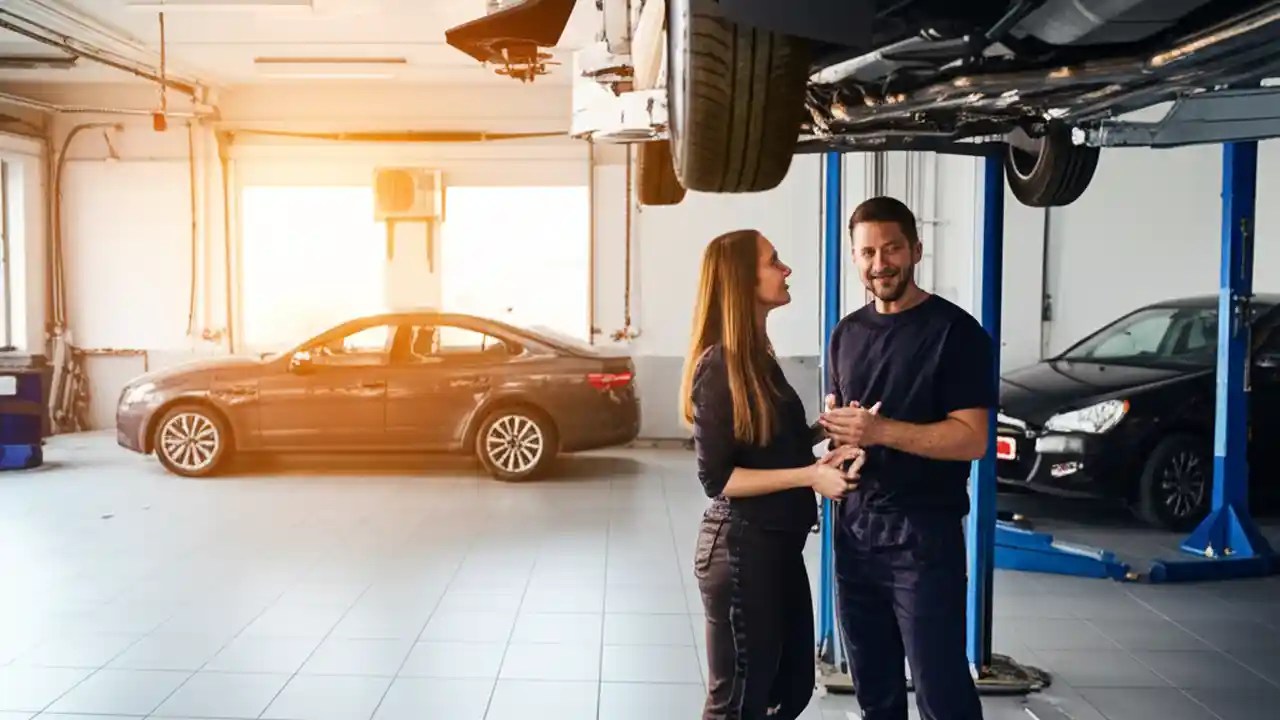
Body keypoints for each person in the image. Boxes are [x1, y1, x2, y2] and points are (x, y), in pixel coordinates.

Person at [818, 197, 993, 720]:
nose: (880, 264)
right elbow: (848, 429)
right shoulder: (846, 333)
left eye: (891, 248)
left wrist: (880, 430)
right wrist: (839, 448)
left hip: (923, 536)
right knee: (875, 691)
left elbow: (973, 439)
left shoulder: (955, 334)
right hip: (854, 533)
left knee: (941, 691)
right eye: (867, 252)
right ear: (854, 257)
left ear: (915, 249)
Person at [680, 228, 866, 720]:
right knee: (741, 703)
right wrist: (810, 476)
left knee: (790, 689)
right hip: (741, 548)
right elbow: (718, 479)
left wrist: (823, 434)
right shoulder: (718, 365)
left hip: (775, 546)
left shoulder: (755, 357)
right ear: (742, 280)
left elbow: (766, 447)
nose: (786, 270)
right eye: (773, 261)